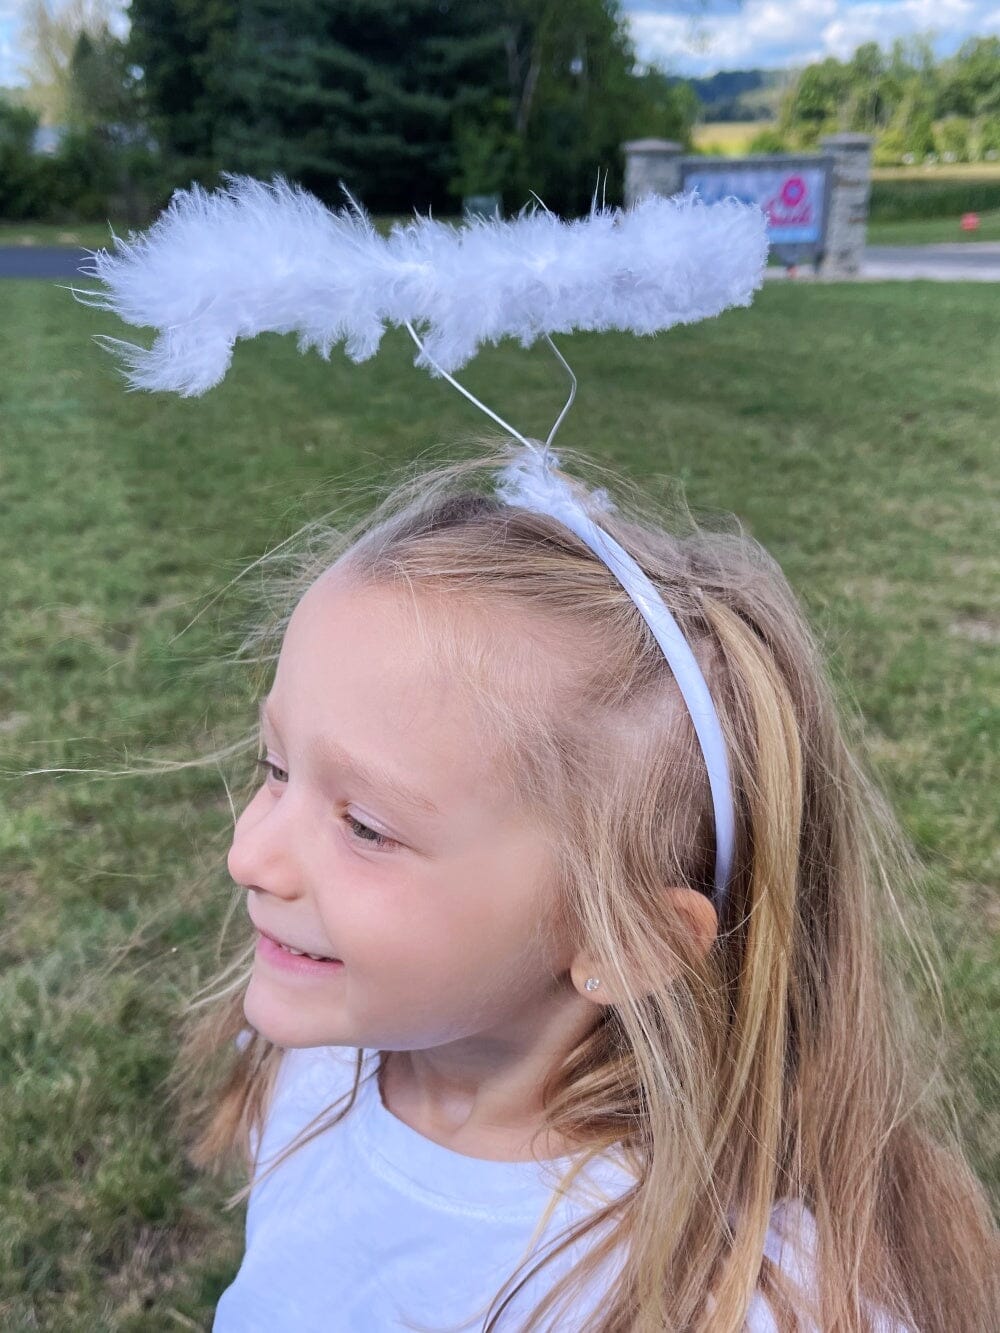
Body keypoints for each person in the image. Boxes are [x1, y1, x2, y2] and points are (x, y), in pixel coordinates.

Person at [167, 441, 998, 1333]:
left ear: (627, 939)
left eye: (367, 826)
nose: (248, 855)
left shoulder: (732, 1301)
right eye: (275, 766)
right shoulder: (322, 1058)